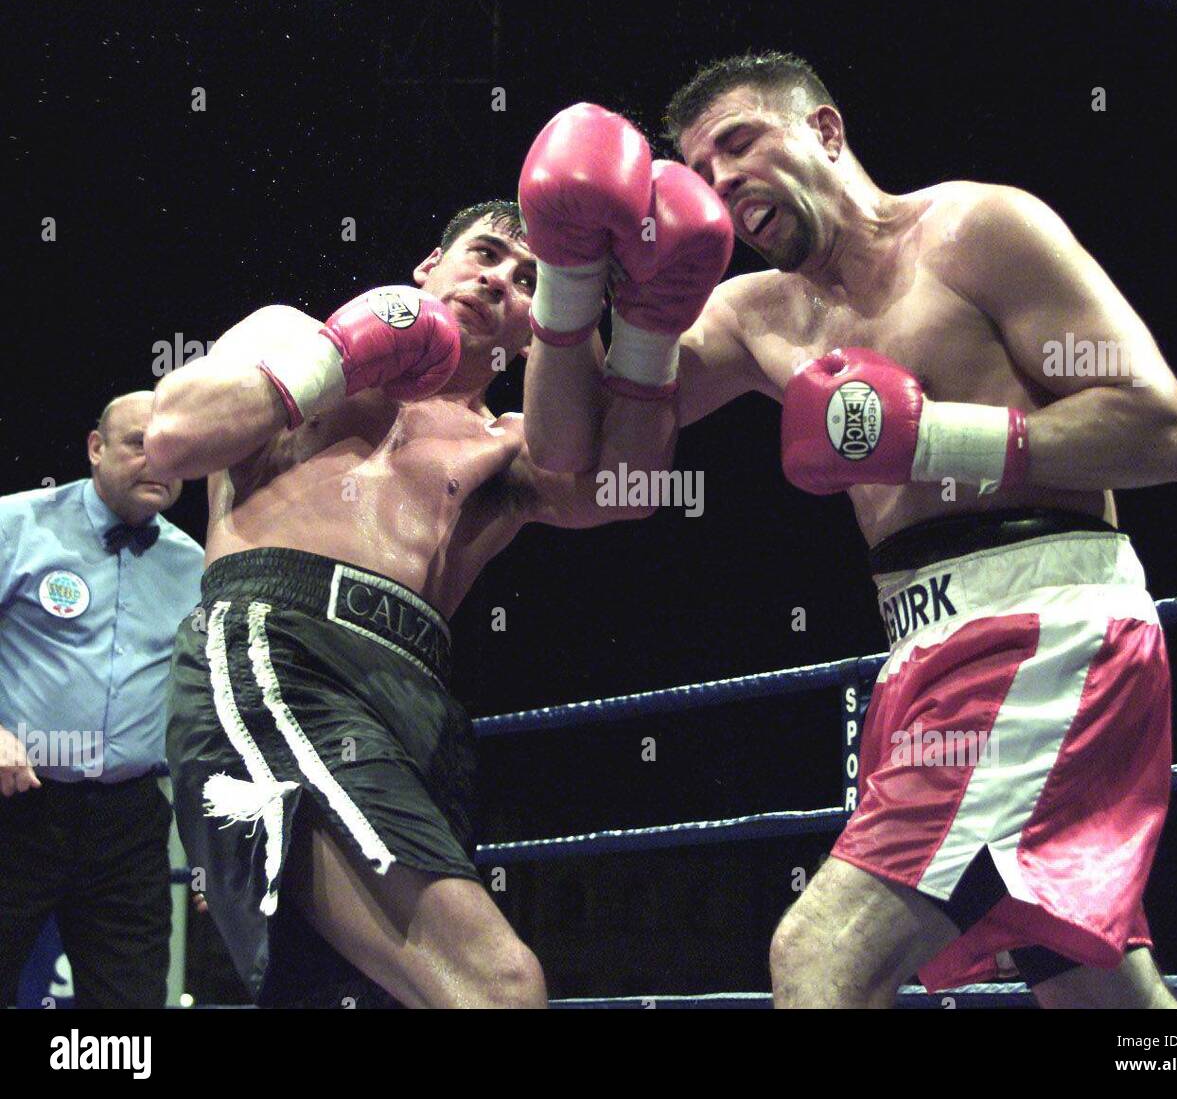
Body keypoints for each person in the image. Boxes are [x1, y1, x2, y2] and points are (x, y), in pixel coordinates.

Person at [520, 55, 1177, 1009]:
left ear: (827, 132)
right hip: (922, 653)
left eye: (739, 143)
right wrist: (572, 284)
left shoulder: (978, 229)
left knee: (820, 955)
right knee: (1100, 997)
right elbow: (584, 469)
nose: (718, 183)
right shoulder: (755, 314)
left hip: (1044, 629)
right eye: (699, 171)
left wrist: (932, 439)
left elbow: (1164, 432)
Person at [146, 197, 730, 1008]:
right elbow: (172, 435)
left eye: (531, 281)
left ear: (537, 325)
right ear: (429, 265)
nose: (499, 282)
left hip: (417, 705)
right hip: (280, 651)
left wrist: (646, 323)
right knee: (498, 984)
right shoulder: (291, 334)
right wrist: (345, 356)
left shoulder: (507, 444)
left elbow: (623, 487)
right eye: (486, 255)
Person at [0, 392, 204, 1007]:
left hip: (130, 823)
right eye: (138, 444)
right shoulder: (16, 523)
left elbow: (204, 711)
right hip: (17, 807)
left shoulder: (193, 563)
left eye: (173, 451)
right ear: (96, 448)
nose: (157, 463)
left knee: (131, 1008)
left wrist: (211, 842)